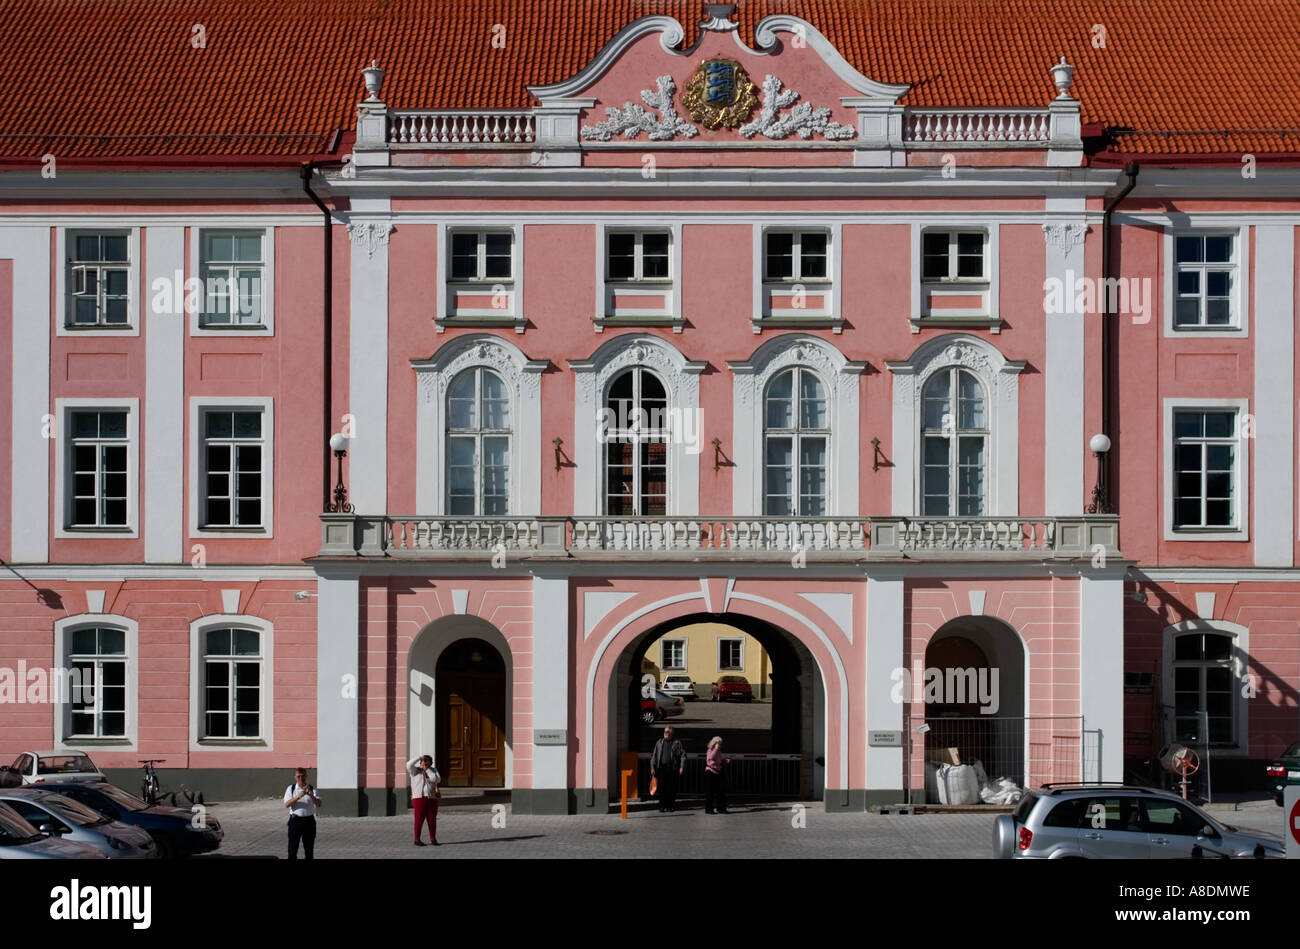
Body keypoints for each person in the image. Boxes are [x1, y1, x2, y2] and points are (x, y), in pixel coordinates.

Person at [284, 767, 321, 859]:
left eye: (303, 776)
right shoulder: (291, 788)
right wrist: (298, 796)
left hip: (309, 821)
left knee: (309, 850)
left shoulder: (312, 788)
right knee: (292, 849)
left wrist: (311, 795)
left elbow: (319, 804)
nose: (301, 778)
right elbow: (287, 804)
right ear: (295, 777)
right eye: (298, 776)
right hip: (295, 821)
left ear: (306, 776)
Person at [407, 753, 441, 846]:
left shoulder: (433, 770)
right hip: (419, 798)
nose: (424, 762)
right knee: (419, 820)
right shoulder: (415, 771)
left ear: (430, 762)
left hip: (432, 798)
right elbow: (408, 764)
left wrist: (427, 769)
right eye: (422, 761)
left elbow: (436, 779)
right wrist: (419, 757)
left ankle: (433, 839)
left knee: (432, 820)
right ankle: (417, 839)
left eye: (426, 761)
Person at [650, 726, 685, 812]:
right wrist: (652, 767)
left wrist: (681, 767)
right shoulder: (659, 742)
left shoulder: (677, 743)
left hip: (672, 768)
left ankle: (670, 806)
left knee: (671, 788)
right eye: (665, 731)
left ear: (672, 733)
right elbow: (654, 755)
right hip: (661, 768)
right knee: (662, 788)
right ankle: (662, 806)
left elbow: (683, 755)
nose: (665, 733)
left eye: (667, 732)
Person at [704, 735, 728, 814]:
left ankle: (721, 808)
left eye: (721, 744)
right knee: (710, 792)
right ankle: (709, 809)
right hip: (710, 772)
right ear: (714, 743)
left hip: (718, 771)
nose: (720, 745)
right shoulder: (710, 750)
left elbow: (719, 760)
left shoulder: (719, 751)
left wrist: (724, 761)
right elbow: (710, 758)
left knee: (721, 791)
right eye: (719, 744)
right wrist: (715, 749)